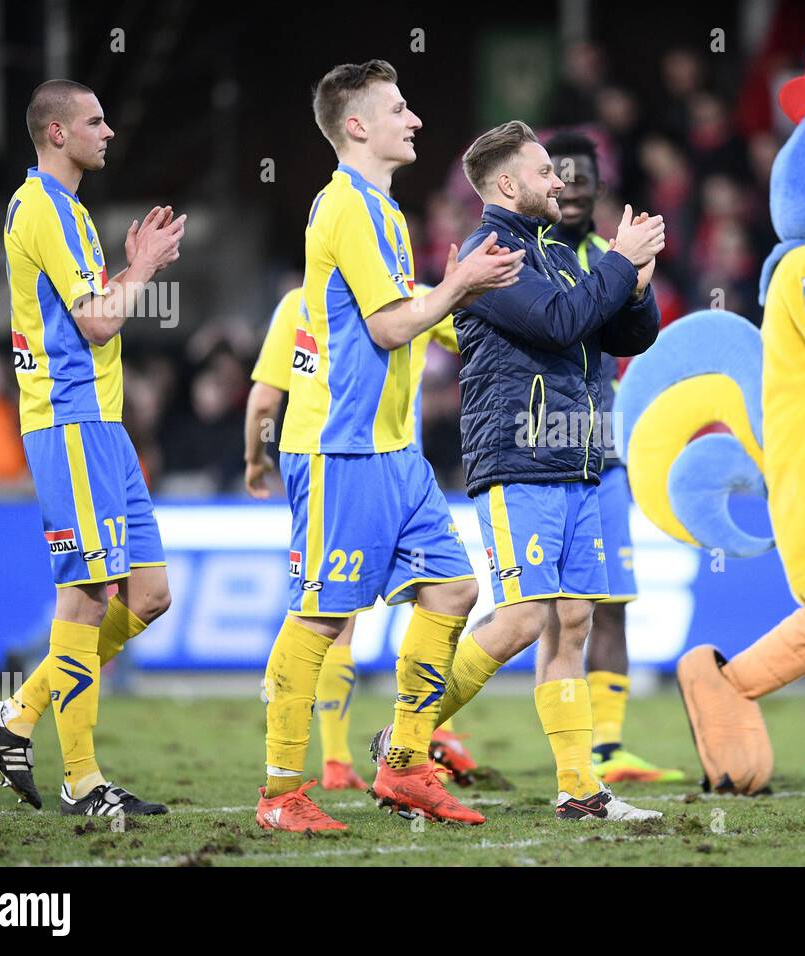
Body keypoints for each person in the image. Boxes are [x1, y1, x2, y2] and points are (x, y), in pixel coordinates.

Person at [254, 60, 523, 832]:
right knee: (320, 617)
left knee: (454, 590)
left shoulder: (383, 212)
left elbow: (415, 316)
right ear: (357, 125)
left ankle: (404, 763)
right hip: (343, 450)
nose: (415, 121)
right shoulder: (346, 206)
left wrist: (474, 309)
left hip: (395, 451)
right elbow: (387, 325)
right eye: (399, 109)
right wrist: (461, 284)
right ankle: (279, 793)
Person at [373, 120, 665, 821]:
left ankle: (581, 792)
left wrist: (637, 282)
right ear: (507, 185)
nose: (558, 183)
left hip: (581, 459)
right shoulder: (491, 253)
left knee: (571, 621)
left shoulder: (559, 252)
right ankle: (405, 743)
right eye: (544, 173)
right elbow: (561, 323)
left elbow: (625, 335)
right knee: (524, 617)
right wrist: (617, 265)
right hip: (521, 458)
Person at [0, 79, 185, 816]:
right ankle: (84, 782)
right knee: (87, 600)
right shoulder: (43, 209)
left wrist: (128, 269)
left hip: (104, 426)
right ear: (56, 133)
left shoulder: (69, 211)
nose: (109, 132)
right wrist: (146, 269)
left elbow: (91, 310)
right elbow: (97, 324)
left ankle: (15, 717)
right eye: (95, 121)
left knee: (148, 596)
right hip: (69, 423)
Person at [244, 285, 477, 792]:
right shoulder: (414, 297)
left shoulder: (296, 303)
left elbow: (265, 398)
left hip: (338, 465)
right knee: (439, 599)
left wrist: (256, 458)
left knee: (341, 612)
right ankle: (423, 740)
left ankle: (340, 759)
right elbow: (472, 338)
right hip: (386, 465)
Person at [544, 130, 682, 784]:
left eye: (581, 175)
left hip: (605, 452)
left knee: (611, 600)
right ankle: (436, 725)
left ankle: (606, 749)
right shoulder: (528, 255)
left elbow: (639, 339)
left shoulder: (616, 256)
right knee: (538, 609)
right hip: (541, 454)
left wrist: (637, 287)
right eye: (558, 173)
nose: (569, 184)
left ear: (599, 186)